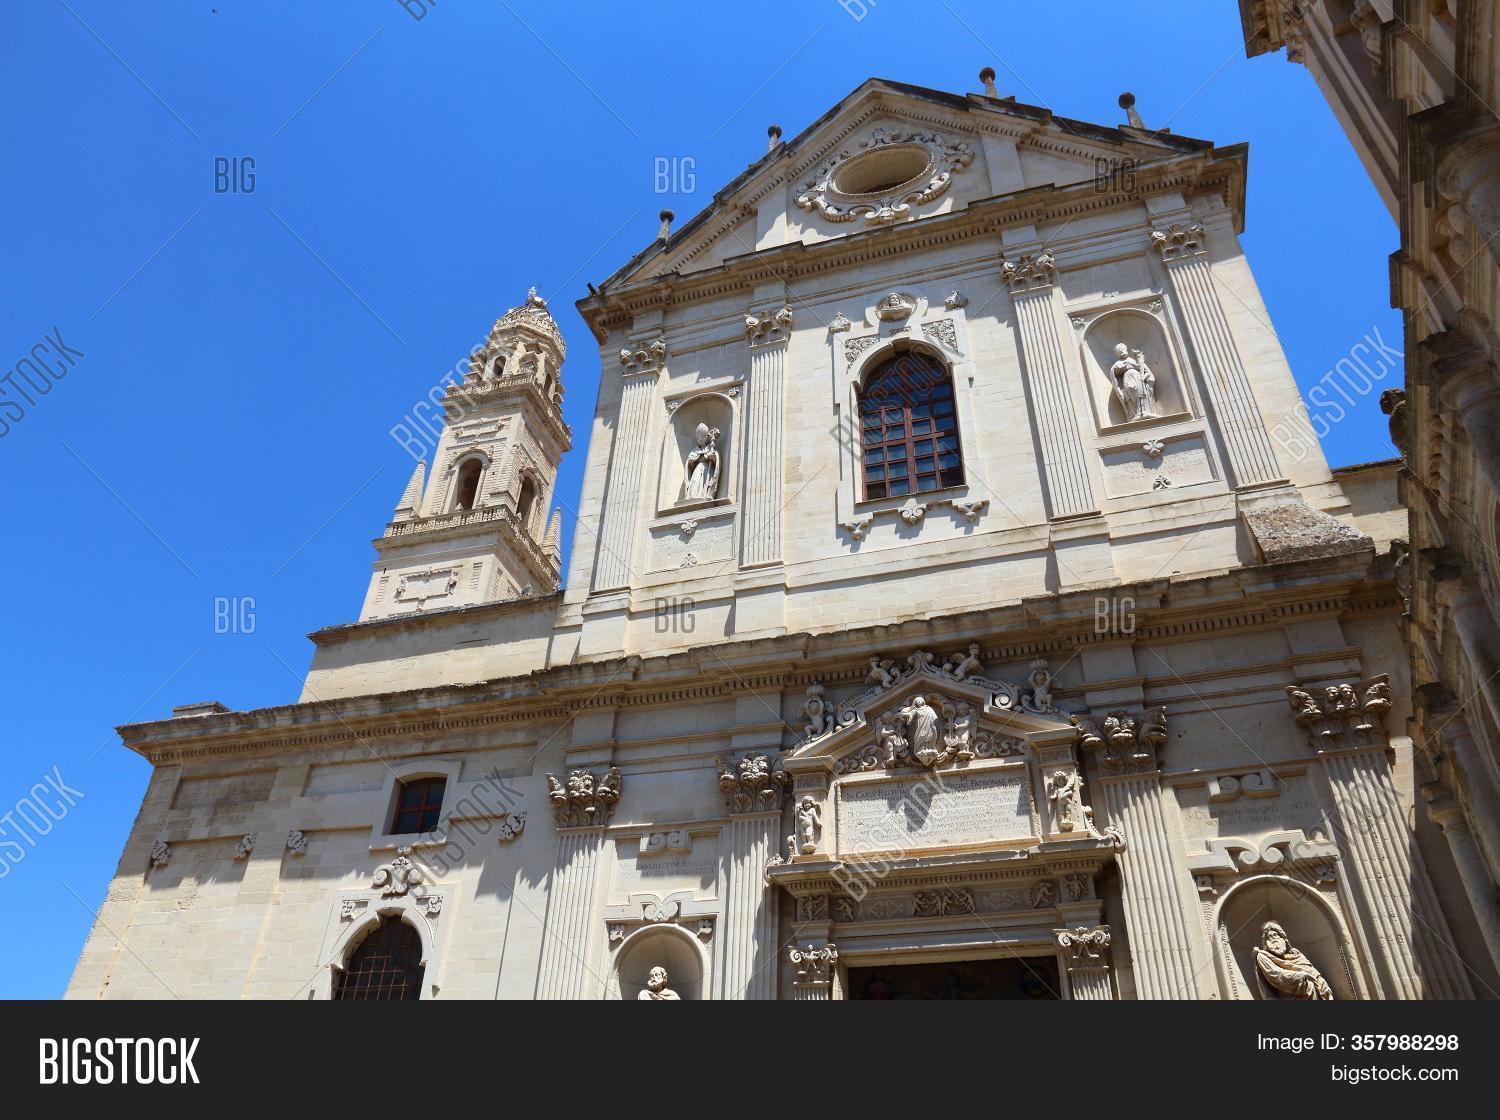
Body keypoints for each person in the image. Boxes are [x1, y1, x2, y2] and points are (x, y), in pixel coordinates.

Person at [1252, 920, 1333, 1000]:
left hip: (1314, 992)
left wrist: (1324, 986)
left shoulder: (1295, 953)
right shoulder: (1264, 956)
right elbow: (1276, 974)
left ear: (1282, 937)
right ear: (1266, 942)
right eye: (1269, 937)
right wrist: (1298, 976)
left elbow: (1311, 970)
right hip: (1292, 996)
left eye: (1275, 935)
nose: (1273, 939)